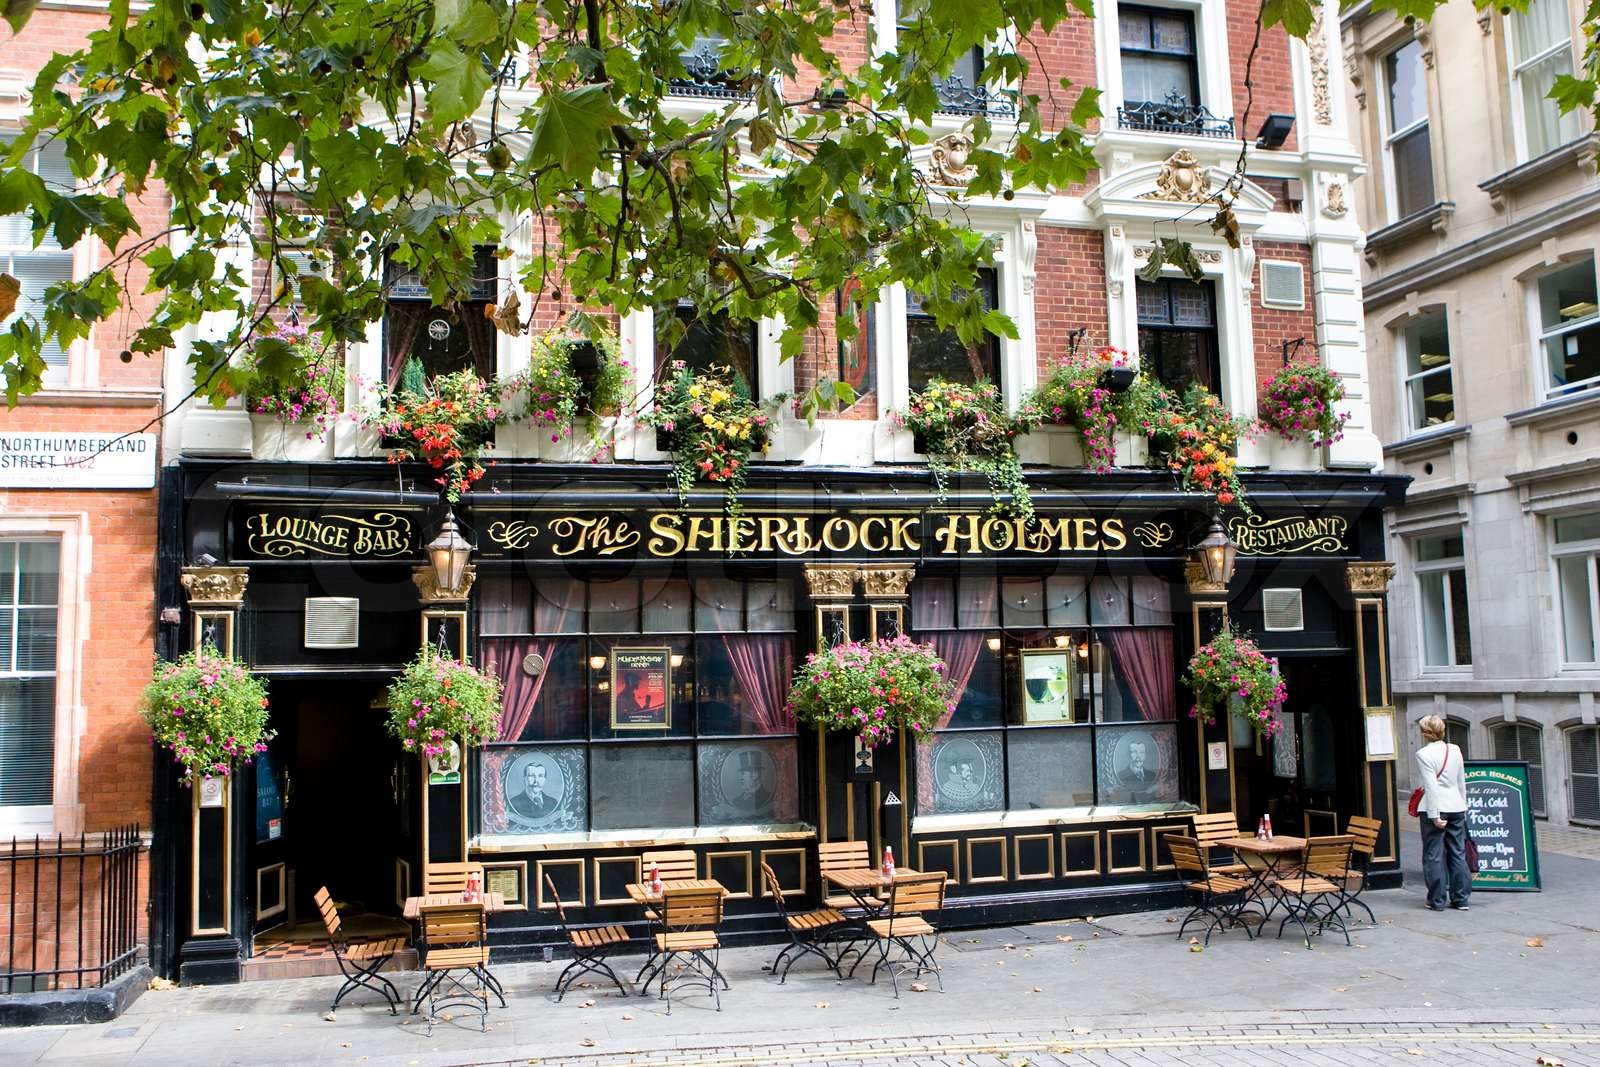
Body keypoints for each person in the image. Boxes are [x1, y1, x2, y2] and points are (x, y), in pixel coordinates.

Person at [1415, 714, 1470, 912]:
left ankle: (1437, 900)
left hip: (1435, 809)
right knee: (1458, 853)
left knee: (1433, 855)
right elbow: (1461, 781)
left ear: (1424, 733)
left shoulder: (1423, 754)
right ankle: (1461, 899)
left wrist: (1434, 815)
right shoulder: (1454, 749)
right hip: (1456, 806)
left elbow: (1431, 787)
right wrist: (1464, 805)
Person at [508, 758, 560, 822]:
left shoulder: (553, 803)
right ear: (524, 779)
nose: (536, 781)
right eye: (531, 776)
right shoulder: (514, 803)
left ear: (545, 779)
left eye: (540, 776)